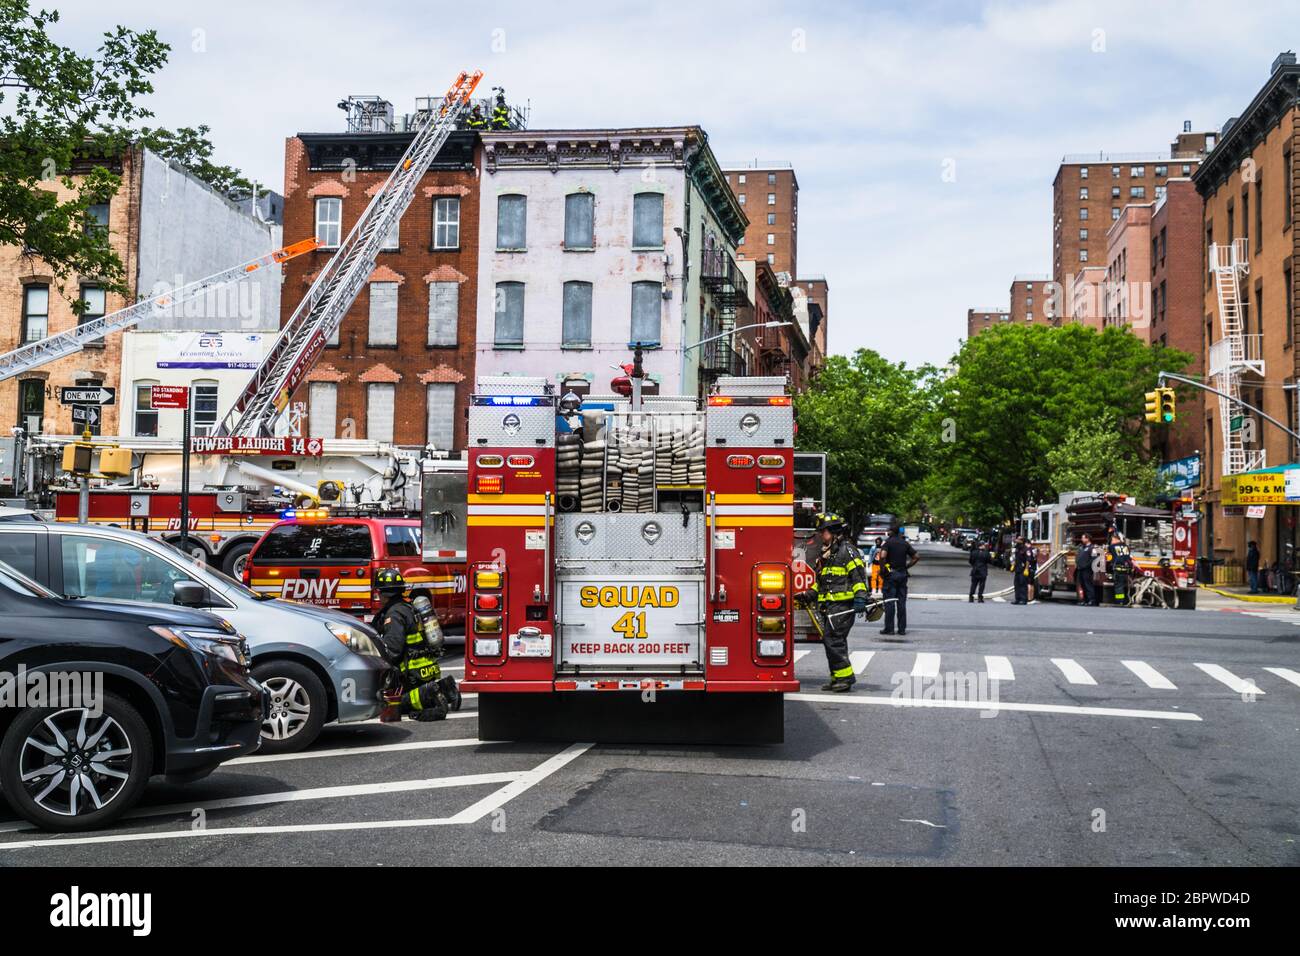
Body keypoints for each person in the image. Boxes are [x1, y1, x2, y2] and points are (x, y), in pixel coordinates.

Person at [795, 513, 868, 692]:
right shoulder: (829, 554)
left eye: (824, 531)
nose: (821, 535)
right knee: (832, 640)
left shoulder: (847, 551)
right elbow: (822, 581)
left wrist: (860, 598)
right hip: (830, 606)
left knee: (833, 640)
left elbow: (858, 576)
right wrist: (808, 594)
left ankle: (845, 678)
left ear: (834, 532)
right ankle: (837, 677)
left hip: (843, 605)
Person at [374, 568, 460, 721]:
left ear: (383, 594)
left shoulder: (394, 614)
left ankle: (432, 695)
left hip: (411, 674)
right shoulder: (409, 607)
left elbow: (393, 651)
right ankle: (446, 689)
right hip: (426, 670)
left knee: (396, 704)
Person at [879, 525, 919, 636]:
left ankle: (889, 628)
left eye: (888, 531)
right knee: (901, 603)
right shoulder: (904, 543)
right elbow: (916, 556)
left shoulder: (887, 543)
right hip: (902, 575)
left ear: (891, 532)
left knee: (889, 602)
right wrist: (906, 567)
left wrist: (882, 570)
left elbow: (882, 556)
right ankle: (901, 629)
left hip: (891, 575)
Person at [1106, 531, 1133, 606]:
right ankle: (1125, 600)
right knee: (1124, 586)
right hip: (1126, 570)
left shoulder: (1112, 547)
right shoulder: (1126, 547)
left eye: (1112, 540)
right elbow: (1128, 557)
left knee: (1118, 587)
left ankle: (1119, 601)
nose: (1111, 541)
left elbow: (1109, 557)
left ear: (1116, 539)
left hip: (1118, 569)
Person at [1012, 537, 1037, 605]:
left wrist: (1026, 569)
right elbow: (1015, 558)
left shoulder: (1026, 549)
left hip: (1023, 570)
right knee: (1016, 584)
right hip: (1017, 569)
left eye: (1018, 540)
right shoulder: (1017, 549)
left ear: (1022, 541)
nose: (1017, 540)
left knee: (1023, 584)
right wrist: (1013, 565)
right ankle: (1017, 599)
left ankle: (1023, 599)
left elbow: (1028, 560)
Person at [1075, 533, 1098, 606]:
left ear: (1088, 539)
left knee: (1088, 585)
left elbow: (1094, 558)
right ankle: (1084, 600)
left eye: (1083, 538)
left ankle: (1091, 600)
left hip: (1087, 570)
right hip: (1080, 569)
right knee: (1082, 585)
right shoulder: (1082, 547)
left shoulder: (1093, 548)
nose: (1082, 539)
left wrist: (1086, 565)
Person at [968, 538, 992, 603]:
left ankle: (971, 597)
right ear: (982, 545)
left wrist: (974, 565)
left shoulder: (973, 552)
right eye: (984, 545)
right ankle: (980, 598)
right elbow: (989, 561)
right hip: (983, 570)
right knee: (982, 585)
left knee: (973, 584)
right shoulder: (986, 553)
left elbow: (970, 561)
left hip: (975, 570)